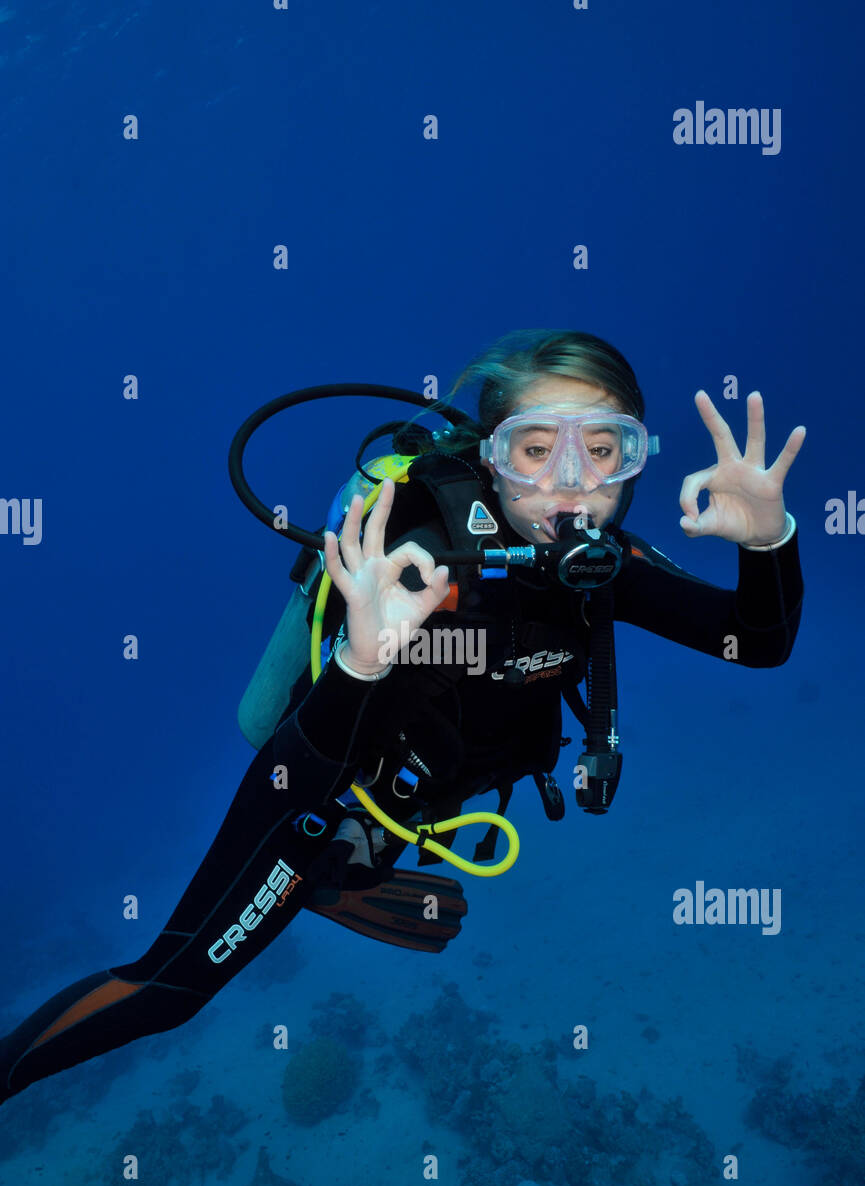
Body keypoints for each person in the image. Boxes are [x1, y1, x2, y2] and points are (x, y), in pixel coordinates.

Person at [0, 330, 805, 1108]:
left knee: (378, 854)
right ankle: (328, 871)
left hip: (430, 792)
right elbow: (289, 775)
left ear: (633, 459)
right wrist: (363, 661)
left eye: (603, 449)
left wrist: (768, 540)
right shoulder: (422, 571)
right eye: (535, 449)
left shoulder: (602, 568)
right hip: (323, 796)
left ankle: (352, 869)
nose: (571, 483)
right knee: (169, 988)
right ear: (492, 455)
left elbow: (756, 644)